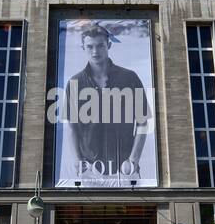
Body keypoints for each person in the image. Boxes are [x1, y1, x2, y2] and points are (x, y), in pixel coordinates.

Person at [63, 24, 151, 184]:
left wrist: (133, 161)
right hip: (90, 170)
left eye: (100, 46)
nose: (95, 52)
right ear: (83, 47)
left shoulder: (130, 78)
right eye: (90, 46)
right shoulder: (75, 83)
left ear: (109, 45)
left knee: (135, 209)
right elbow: (71, 127)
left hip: (125, 169)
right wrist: (78, 163)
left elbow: (143, 122)